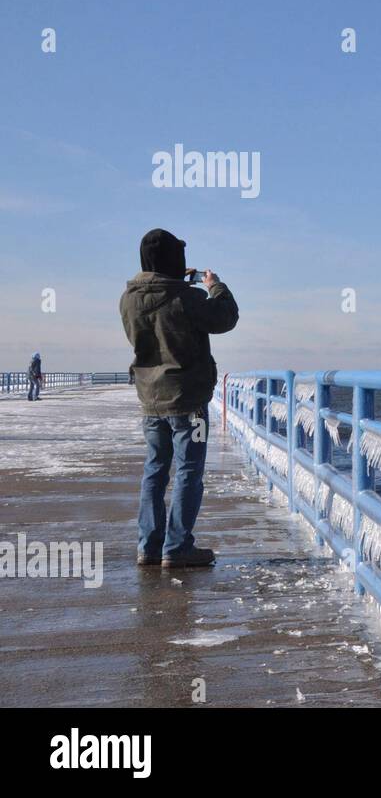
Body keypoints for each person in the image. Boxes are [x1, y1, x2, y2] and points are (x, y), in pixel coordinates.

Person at [120, 229, 239, 568]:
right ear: (175, 262)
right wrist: (214, 285)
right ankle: (178, 547)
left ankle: (149, 547)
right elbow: (225, 318)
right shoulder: (186, 299)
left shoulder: (127, 299)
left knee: (155, 470)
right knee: (188, 471)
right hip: (189, 401)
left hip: (150, 399)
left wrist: (175, 282)